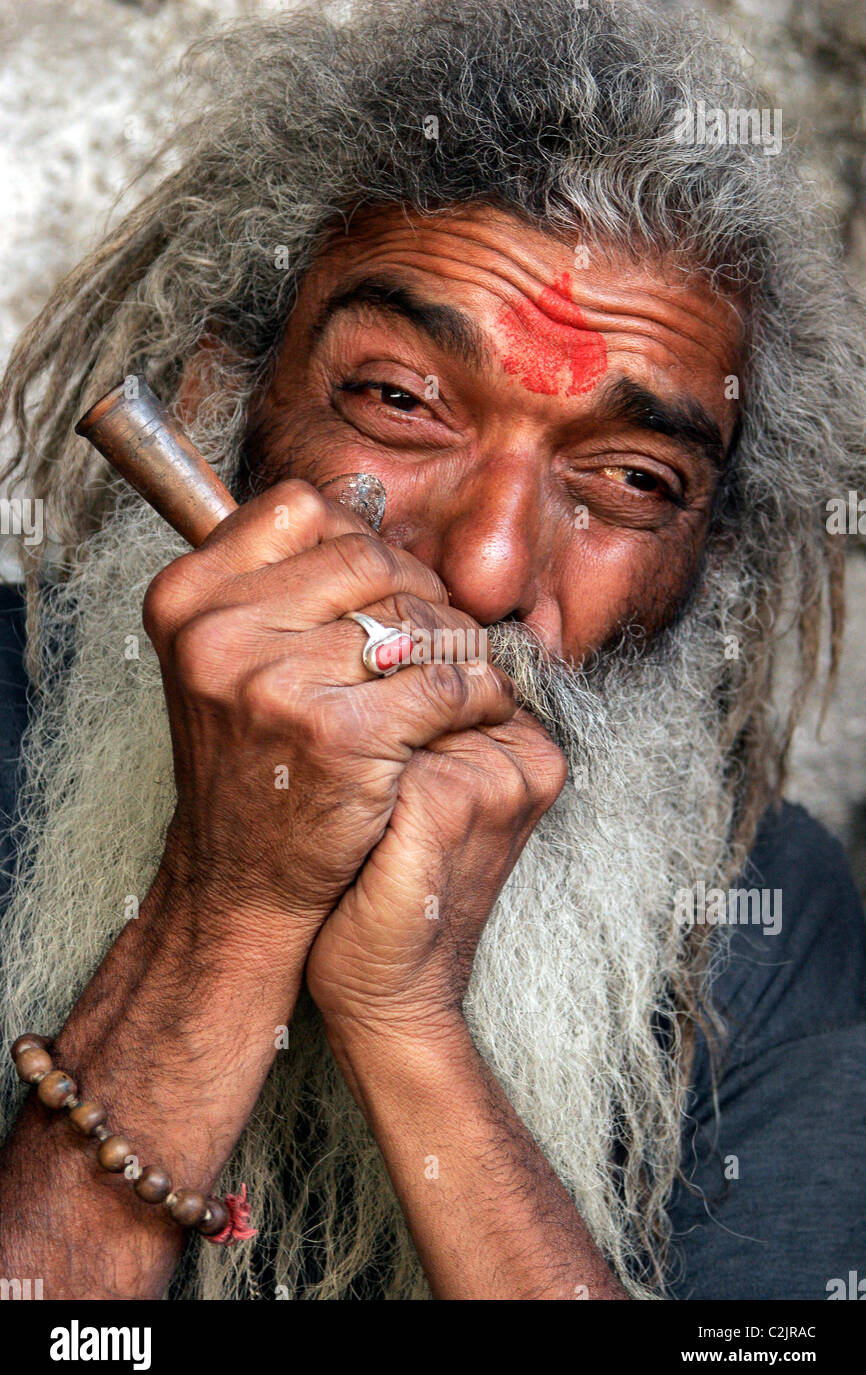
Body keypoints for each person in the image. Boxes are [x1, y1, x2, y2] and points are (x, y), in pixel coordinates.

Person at [0, 0, 863, 1301]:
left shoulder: (762, 922)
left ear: (704, 568)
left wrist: (409, 1023)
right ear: (214, 401)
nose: (486, 569)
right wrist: (224, 913)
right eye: (402, 401)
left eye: (627, 478)